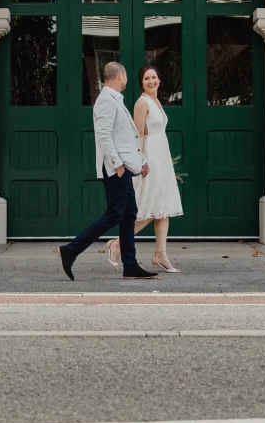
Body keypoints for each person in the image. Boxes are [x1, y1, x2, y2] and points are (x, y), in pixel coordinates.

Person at [57, 62, 159, 281]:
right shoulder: (105, 101)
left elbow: (124, 139)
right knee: (116, 213)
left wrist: (140, 160)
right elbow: (103, 137)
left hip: (123, 165)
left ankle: (130, 265)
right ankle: (71, 250)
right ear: (120, 76)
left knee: (129, 215)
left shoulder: (114, 100)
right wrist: (118, 164)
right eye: (127, 76)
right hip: (115, 169)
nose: (128, 80)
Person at [108, 65, 183, 273]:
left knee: (163, 207)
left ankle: (160, 254)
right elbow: (138, 135)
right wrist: (139, 161)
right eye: (147, 78)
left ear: (159, 80)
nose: (152, 81)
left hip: (162, 157)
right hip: (150, 157)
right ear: (141, 83)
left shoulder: (156, 101)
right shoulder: (142, 103)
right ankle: (118, 243)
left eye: (155, 77)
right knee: (150, 208)